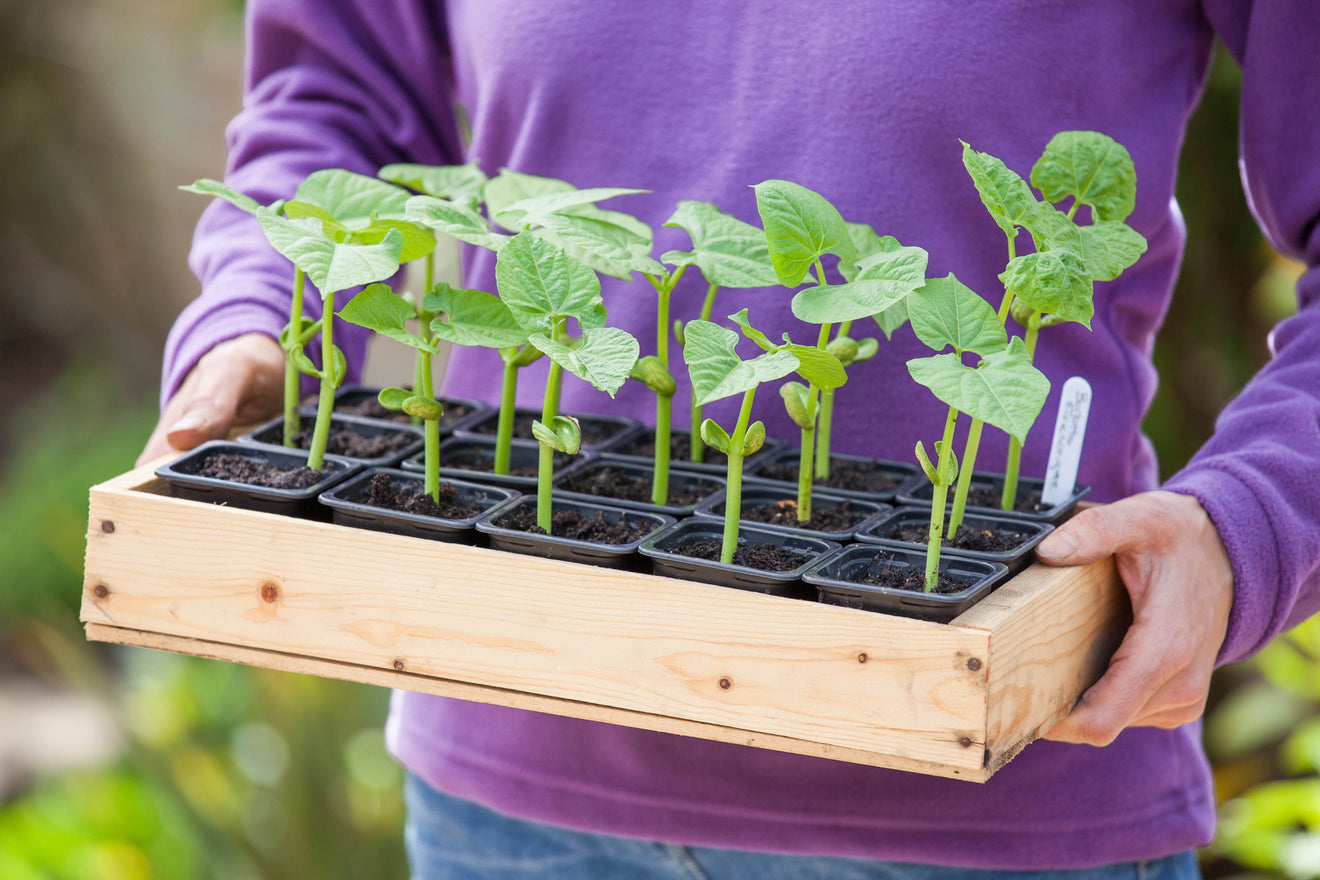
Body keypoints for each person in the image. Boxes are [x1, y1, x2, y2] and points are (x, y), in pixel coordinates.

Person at [139, 1, 1320, 877]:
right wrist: (260, 317)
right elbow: (332, 98)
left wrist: (1251, 520)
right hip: (507, 797)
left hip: (984, 806)